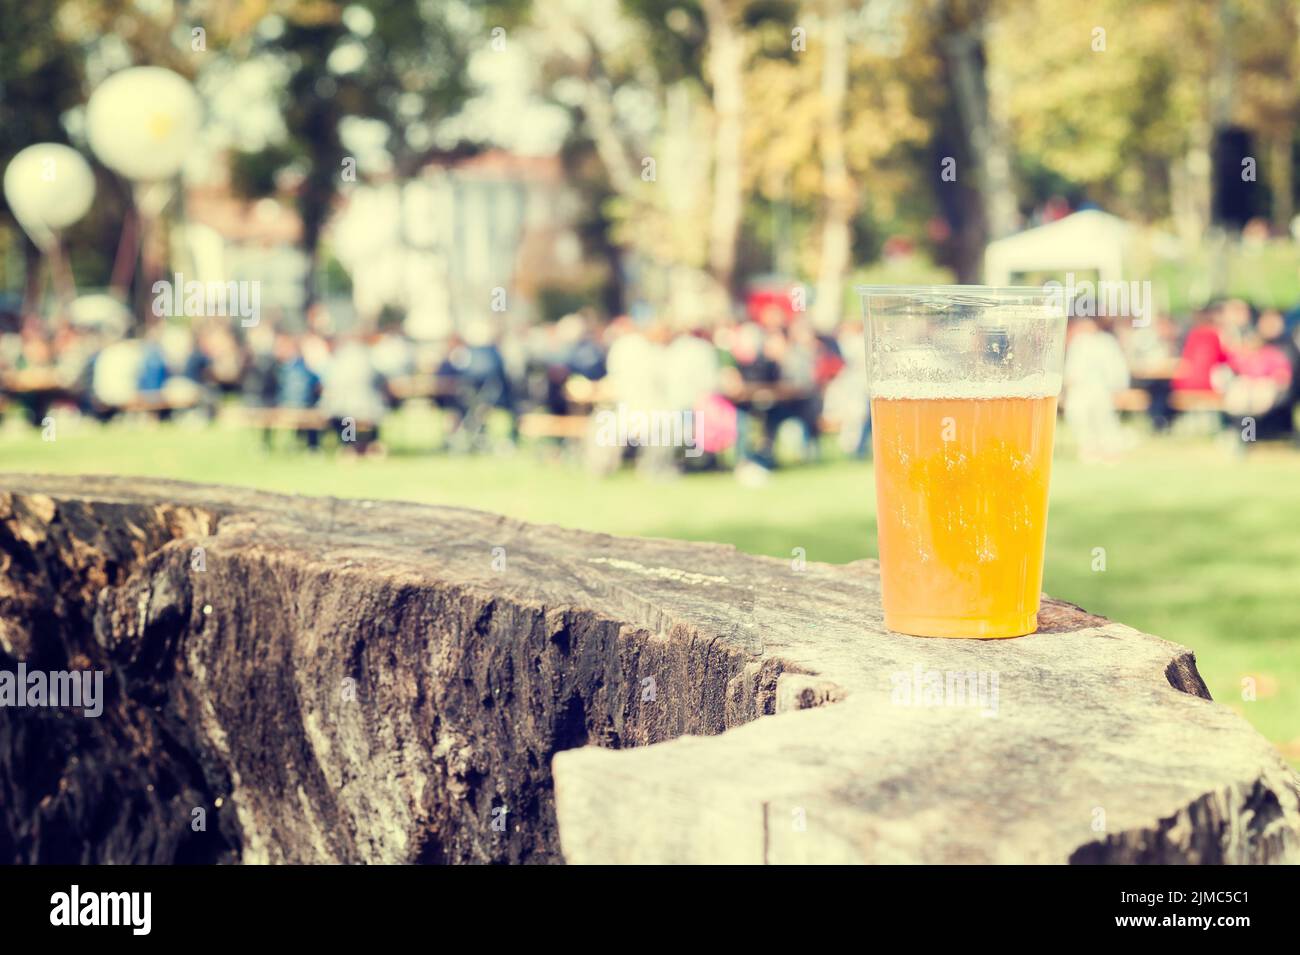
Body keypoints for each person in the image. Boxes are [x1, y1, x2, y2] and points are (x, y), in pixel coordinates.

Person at [1064, 317, 1131, 461]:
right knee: (1079, 418)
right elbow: (1072, 370)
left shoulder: (1106, 342)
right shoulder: (1078, 343)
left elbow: (1117, 368)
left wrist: (1119, 389)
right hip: (1080, 390)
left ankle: (1111, 450)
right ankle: (1089, 449)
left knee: (1104, 420)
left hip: (1100, 389)